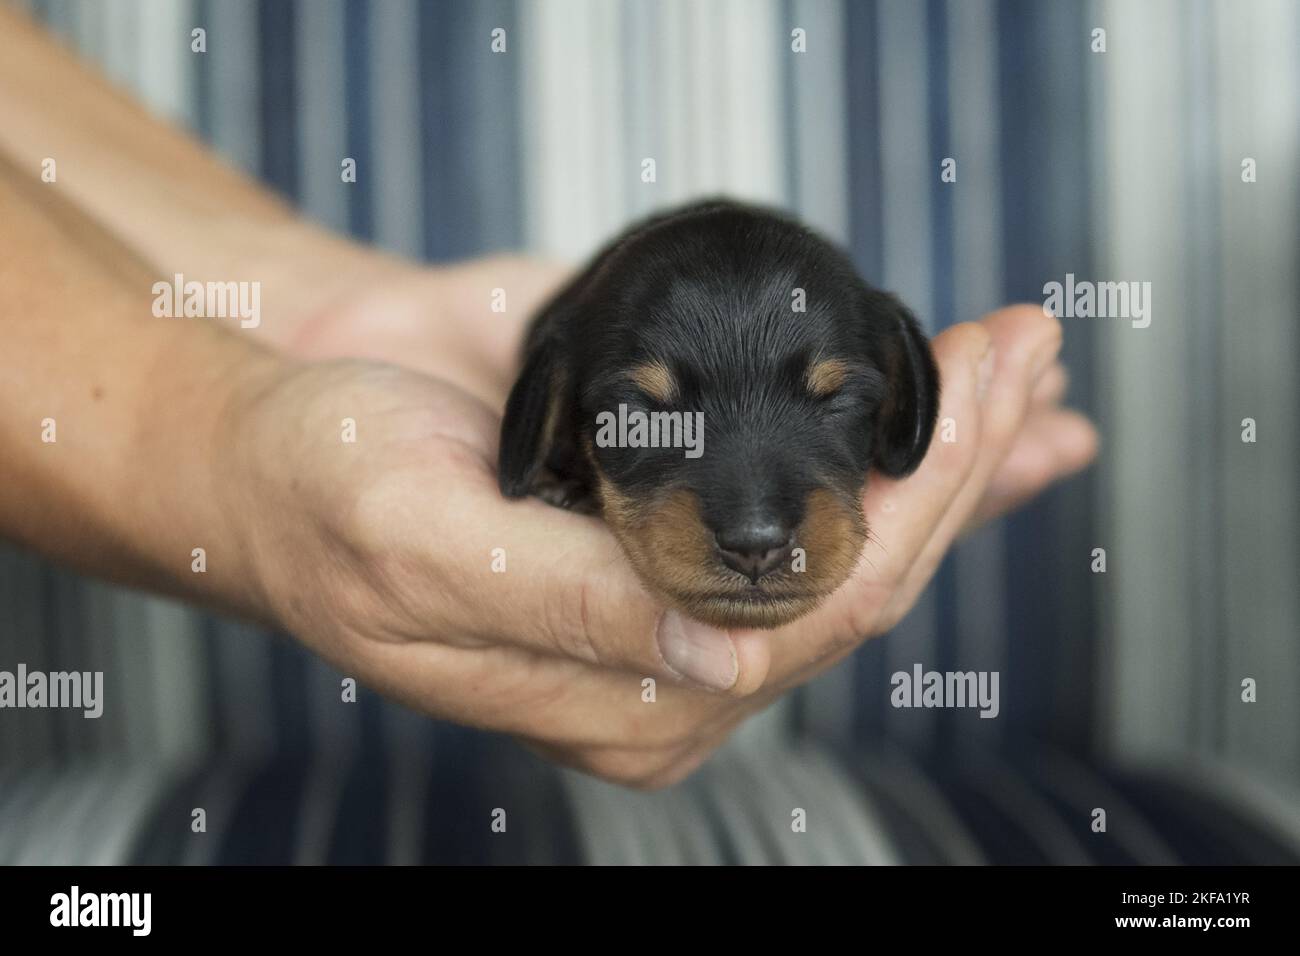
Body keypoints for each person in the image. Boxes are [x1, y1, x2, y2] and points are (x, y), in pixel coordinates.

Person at [0, 8, 1096, 788]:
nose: (757, 523)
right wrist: (196, 439)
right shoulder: (554, 385)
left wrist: (314, 307)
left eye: (836, 403)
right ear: (545, 418)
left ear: (902, 394)